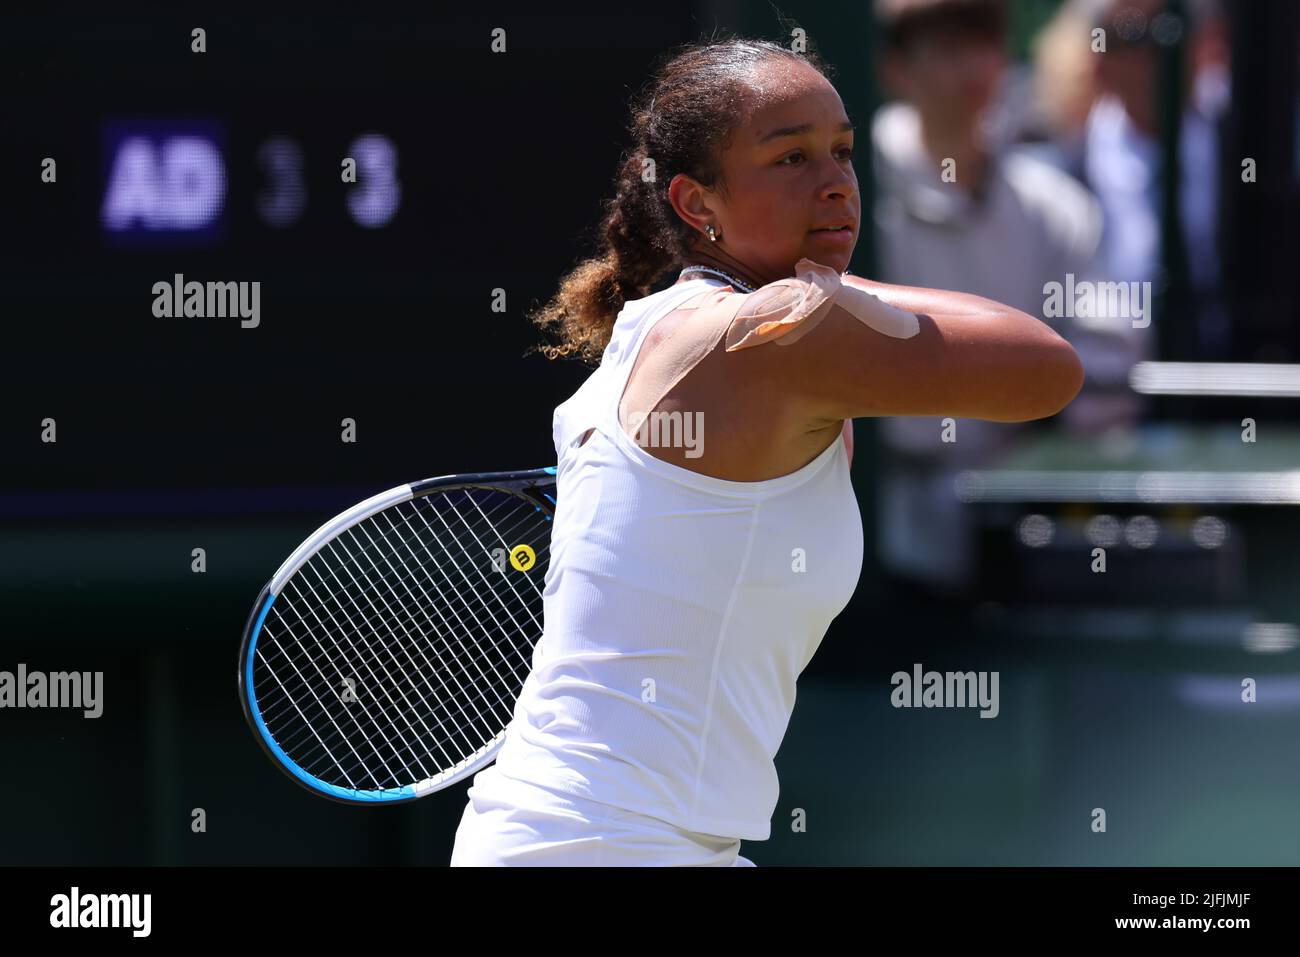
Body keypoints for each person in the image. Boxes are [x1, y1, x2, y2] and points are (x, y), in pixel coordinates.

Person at [449, 36, 1083, 866]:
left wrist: (819, 281)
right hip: (599, 845)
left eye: (844, 153)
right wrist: (826, 288)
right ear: (694, 202)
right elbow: (1044, 366)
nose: (834, 183)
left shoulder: (665, 328)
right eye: (789, 157)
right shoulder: (766, 336)